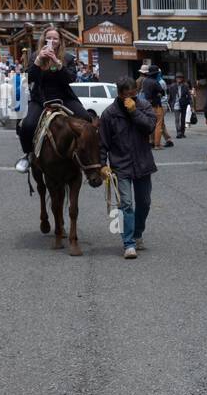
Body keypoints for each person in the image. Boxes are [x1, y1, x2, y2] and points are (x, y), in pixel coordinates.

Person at [15, 26, 95, 173]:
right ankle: (28, 155)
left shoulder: (68, 58)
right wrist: (39, 60)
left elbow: (70, 79)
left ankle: (87, 156)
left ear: (60, 41)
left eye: (55, 38)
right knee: (26, 125)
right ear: (44, 39)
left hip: (64, 97)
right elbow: (29, 78)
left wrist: (58, 63)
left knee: (86, 119)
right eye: (49, 38)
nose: (51, 41)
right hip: (41, 98)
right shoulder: (34, 56)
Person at [99, 77, 157, 259]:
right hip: (120, 165)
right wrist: (102, 164)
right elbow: (103, 142)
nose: (131, 97)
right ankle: (128, 243)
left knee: (145, 202)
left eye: (134, 94)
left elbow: (150, 127)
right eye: (127, 94)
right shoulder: (109, 114)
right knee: (126, 204)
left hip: (143, 162)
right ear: (120, 93)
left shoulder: (144, 106)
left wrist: (134, 112)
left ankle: (138, 232)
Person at [167, 71, 192, 140]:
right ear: (175, 78)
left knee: (183, 119)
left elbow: (189, 96)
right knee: (177, 119)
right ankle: (178, 133)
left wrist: (190, 104)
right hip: (176, 104)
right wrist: (169, 104)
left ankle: (183, 133)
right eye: (178, 78)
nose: (179, 79)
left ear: (182, 79)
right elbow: (170, 96)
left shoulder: (185, 86)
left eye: (180, 78)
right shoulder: (172, 86)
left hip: (184, 104)